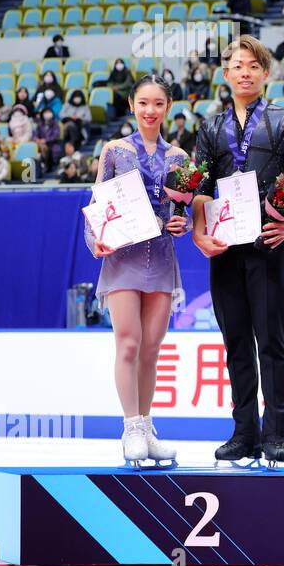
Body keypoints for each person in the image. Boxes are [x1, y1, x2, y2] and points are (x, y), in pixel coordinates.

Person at [191, 35, 284, 466]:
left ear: (266, 73)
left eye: (253, 65)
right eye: (237, 65)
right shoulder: (209, 128)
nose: (245, 72)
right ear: (225, 74)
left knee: (272, 342)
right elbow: (199, 189)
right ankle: (243, 431)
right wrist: (200, 231)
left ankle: (275, 432)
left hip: (268, 245)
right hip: (226, 249)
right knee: (235, 343)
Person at [83, 75, 191, 466]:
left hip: (161, 258)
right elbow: (98, 203)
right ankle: (130, 427)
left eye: (158, 104)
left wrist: (183, 223)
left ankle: (147, 427)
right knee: (128, 343)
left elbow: (182, 212)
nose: (150, 110)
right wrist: (96, 241)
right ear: (131, 105)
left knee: (151, 348)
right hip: (123, 258)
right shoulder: (114, 150)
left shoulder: (179, 157)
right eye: (143, 103)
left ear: (168, 107)